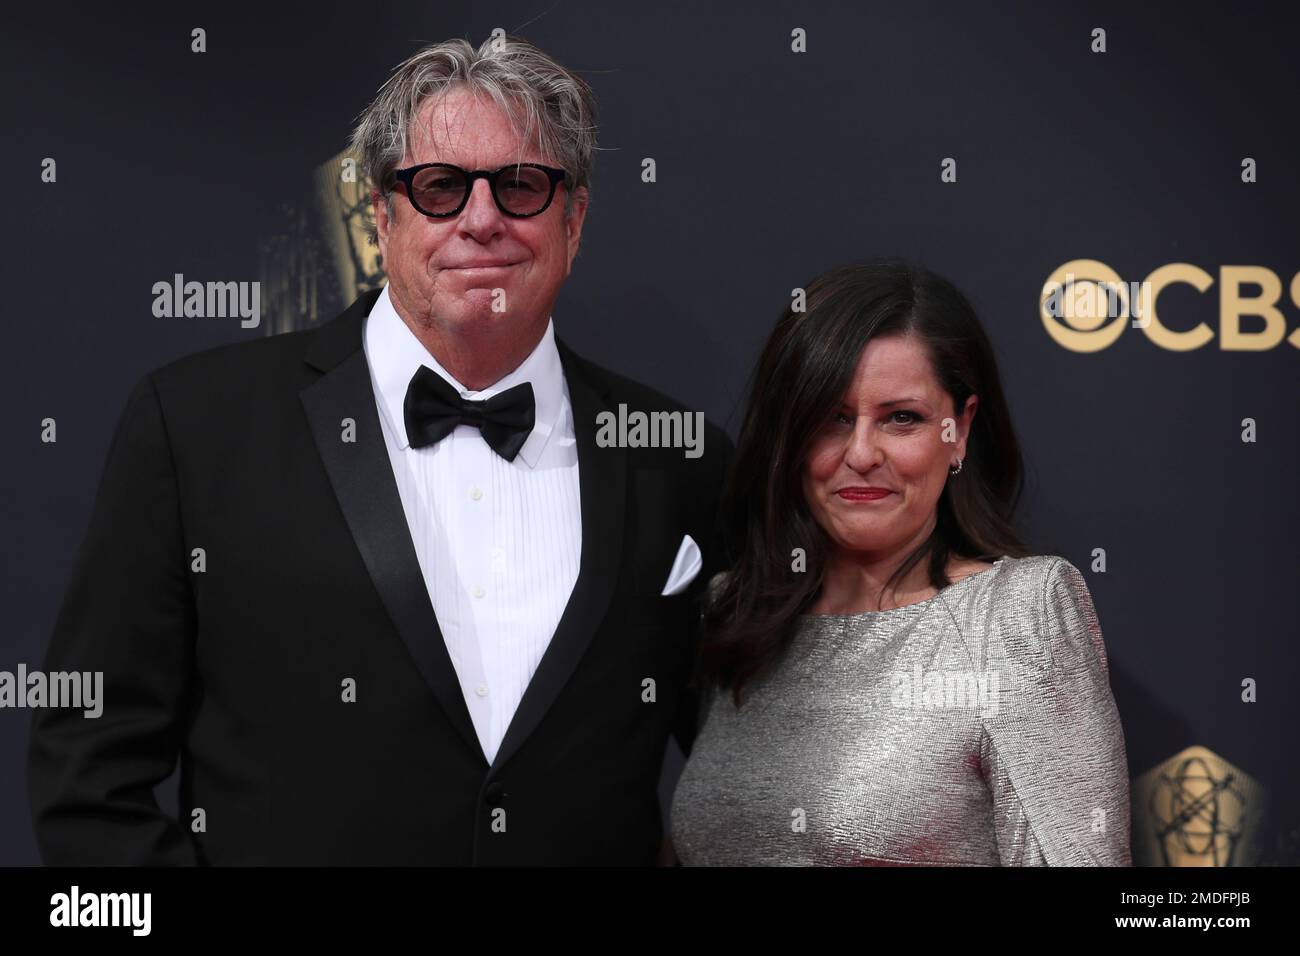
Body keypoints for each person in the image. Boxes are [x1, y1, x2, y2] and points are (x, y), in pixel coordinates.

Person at [28, 35, 731, 865]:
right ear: (381, 214)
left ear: (573, 221)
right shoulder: (195, 428)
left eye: (520, 185)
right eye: (439, 187)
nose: (481, 219)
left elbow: (747, 773)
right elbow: (88, 777)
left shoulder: (679, 460)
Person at [670, 258, 1130, 865]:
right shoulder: (736, 612)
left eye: (901, 418)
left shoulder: (1018, 616)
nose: (862, 453)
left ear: (960, 429)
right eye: (832, 419)